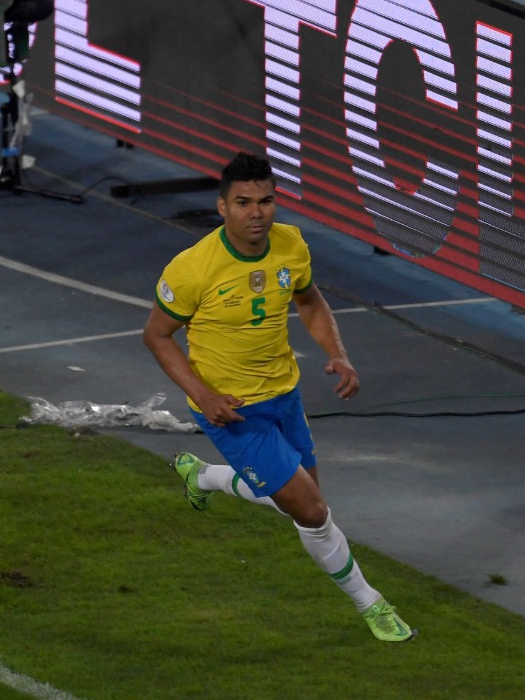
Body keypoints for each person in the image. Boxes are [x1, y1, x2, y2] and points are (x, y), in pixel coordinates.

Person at [142, 151, 415, 643]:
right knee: (312, 512)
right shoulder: (192, 269)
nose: (257, 212)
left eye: (265, 201)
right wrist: (203, 396)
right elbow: (157, 336)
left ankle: (201, 476)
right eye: (243, 202)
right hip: (232, 411)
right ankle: (371, 604)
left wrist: (339, 353)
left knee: (299, 499)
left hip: (284, 396)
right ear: (222, 207)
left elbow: (309, 300)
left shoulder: (290, 245)